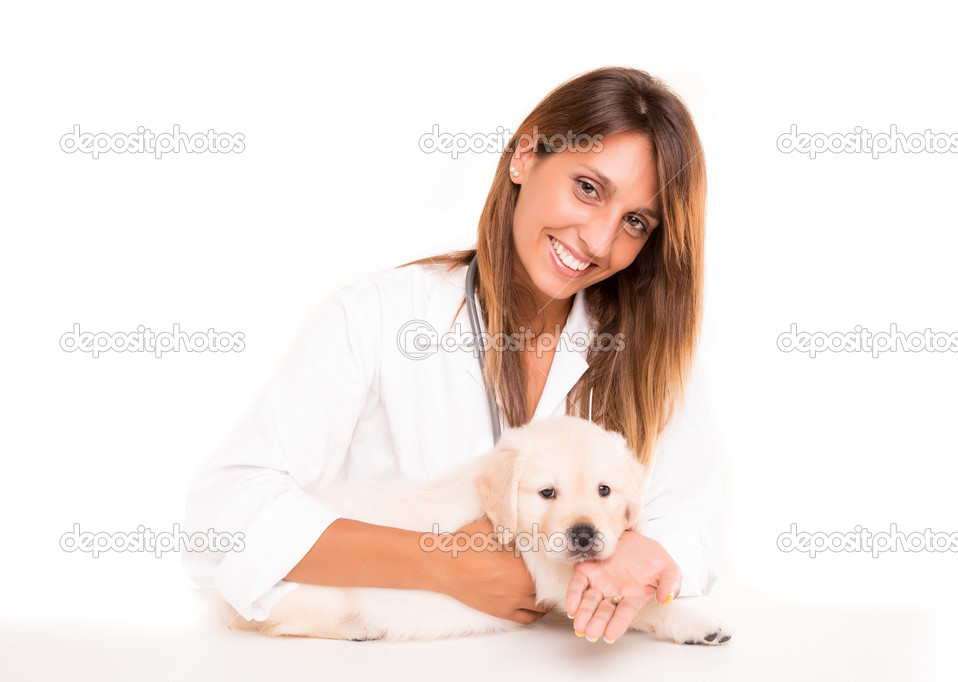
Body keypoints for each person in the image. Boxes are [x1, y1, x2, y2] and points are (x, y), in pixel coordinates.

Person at [182, 65, 722, 645]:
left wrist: (640, 548)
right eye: (587, 188)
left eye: (635, 222)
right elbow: (220, 520)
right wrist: (442, 563)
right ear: (525, 155)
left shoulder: (643, 355)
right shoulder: (379, 316)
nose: (597, 239)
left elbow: (687, 524)